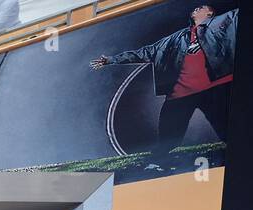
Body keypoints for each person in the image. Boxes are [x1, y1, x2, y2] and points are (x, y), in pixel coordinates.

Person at [91, 4, 238, 172]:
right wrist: (110, 60)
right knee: (168, 136)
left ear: (210, 12)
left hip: (215, 88)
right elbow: (147, 52)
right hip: (181, 94)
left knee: (226, 127)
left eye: (202, 7)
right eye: (195, 7)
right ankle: (158, 164)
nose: (197, 8)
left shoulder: (224, 22)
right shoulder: (176, 38)